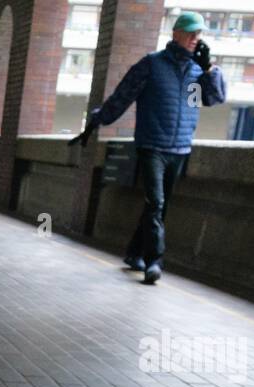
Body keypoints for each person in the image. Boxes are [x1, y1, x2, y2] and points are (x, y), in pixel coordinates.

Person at [69, 12, 226, 284]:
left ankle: (134, 253)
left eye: (198, 35)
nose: (194, 39)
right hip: (152, 145)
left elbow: (214, 98)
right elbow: (123, 96)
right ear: (176, 34)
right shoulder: (152, 65)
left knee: (159, 207)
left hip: (179, 148)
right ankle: (154, 261)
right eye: (190, 33)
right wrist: (97, 120)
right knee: (156, 203)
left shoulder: (196, 70)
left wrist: (210, 69)